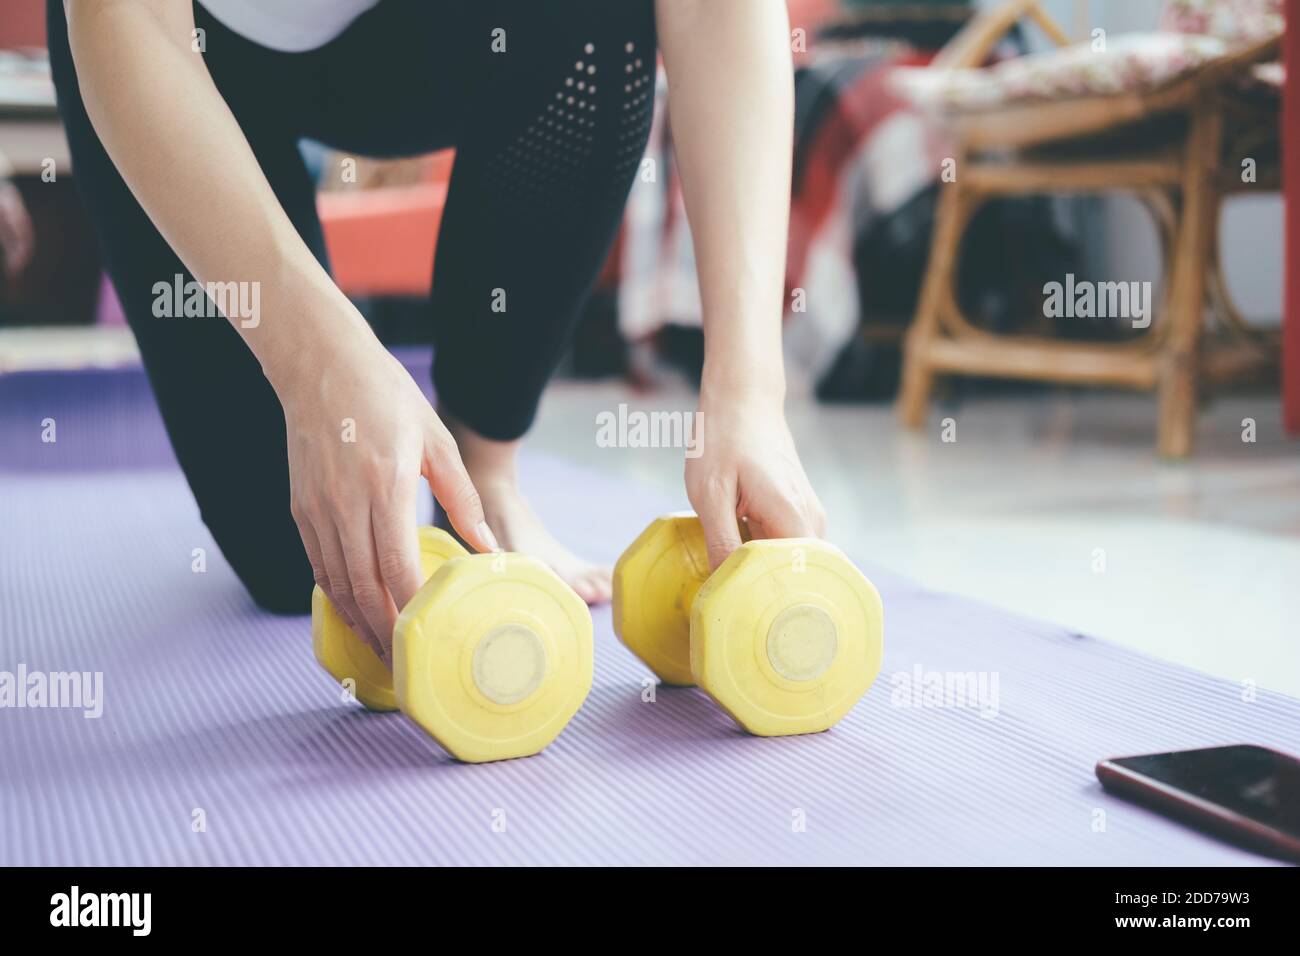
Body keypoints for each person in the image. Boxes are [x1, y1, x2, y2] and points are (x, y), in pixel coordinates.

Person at [50, 0, 826, 663]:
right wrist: (315, 363)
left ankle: (484, 479)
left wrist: (750, 387)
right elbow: (130, 22)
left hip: (440, 38)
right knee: (305, 567)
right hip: (183, 50)